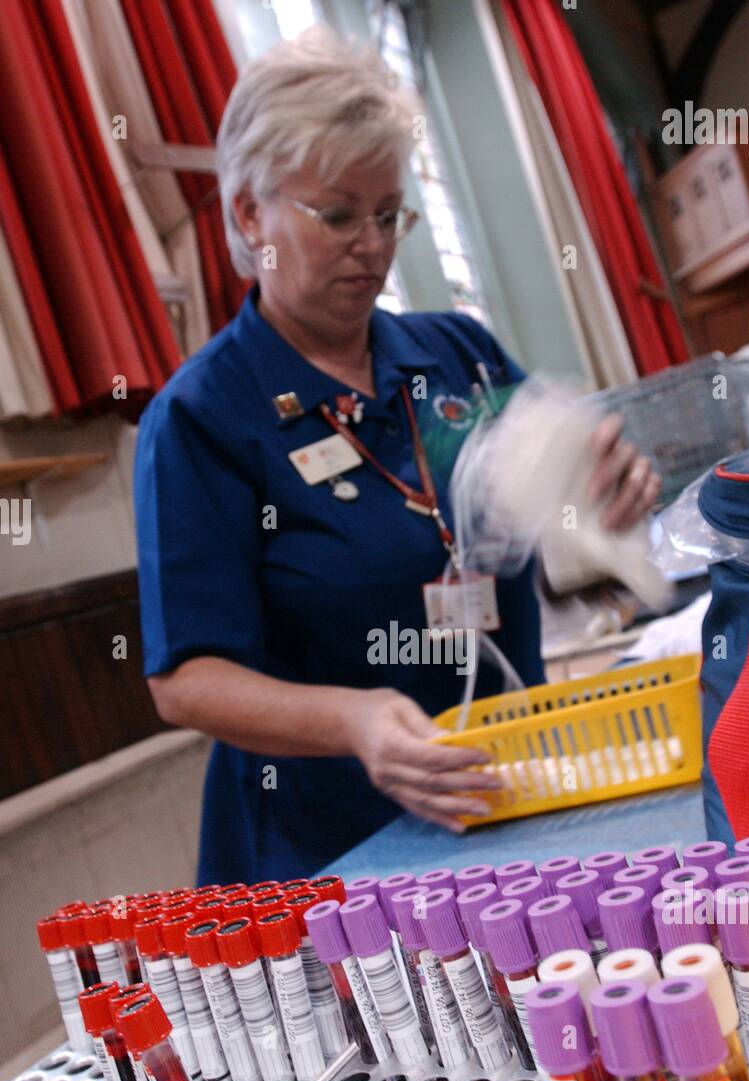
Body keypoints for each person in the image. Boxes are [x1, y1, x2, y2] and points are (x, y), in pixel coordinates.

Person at [134, 28, 659, 885]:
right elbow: (186, 679)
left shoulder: (458, 354)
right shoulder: (202, 419)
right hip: (331, 855)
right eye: (338, 215)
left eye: (389, 214)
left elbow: (556, 541)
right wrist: (355, 719)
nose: (373, 244)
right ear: (248, 213)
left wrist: (600, 503)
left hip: (502, 804)